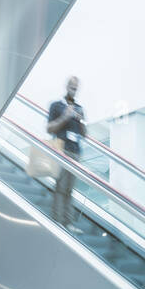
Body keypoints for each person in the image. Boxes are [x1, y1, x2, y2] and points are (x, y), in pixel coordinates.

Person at [46, 75, 85, 229]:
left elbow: (84, 134)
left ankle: (68, 223)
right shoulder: (56, 105)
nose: (73, 90)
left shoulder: (79, 108)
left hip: (76, 152)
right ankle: (57, 221)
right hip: (61, 149)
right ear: (66, 86)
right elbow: (49, 129)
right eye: (71, 86)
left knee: (69, 189)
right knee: (61, 186)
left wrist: (80, 119)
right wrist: (65, 116)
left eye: (76, 88)